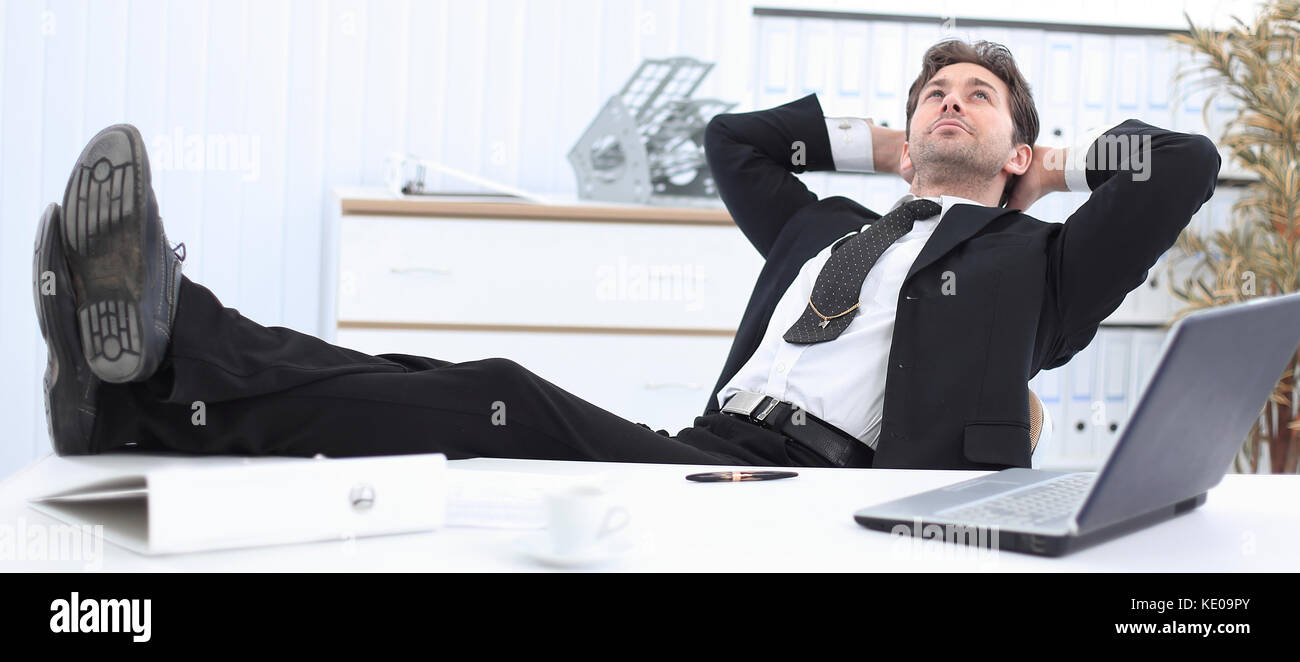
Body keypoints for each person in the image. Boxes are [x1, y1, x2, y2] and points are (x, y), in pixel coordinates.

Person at [32, 39, 1220, 470]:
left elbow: (1184, 165)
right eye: (933, 96)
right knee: (430, 377)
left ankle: (159, 354)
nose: (951, 105)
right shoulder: (823, 230)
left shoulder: (1036, 265)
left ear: (1020, 146)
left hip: (819, 491)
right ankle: (138, 380)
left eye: (977, 98)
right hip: (715, 454)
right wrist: (891, 144)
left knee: (497, 394)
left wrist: (1045, 170)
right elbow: (734, 143)